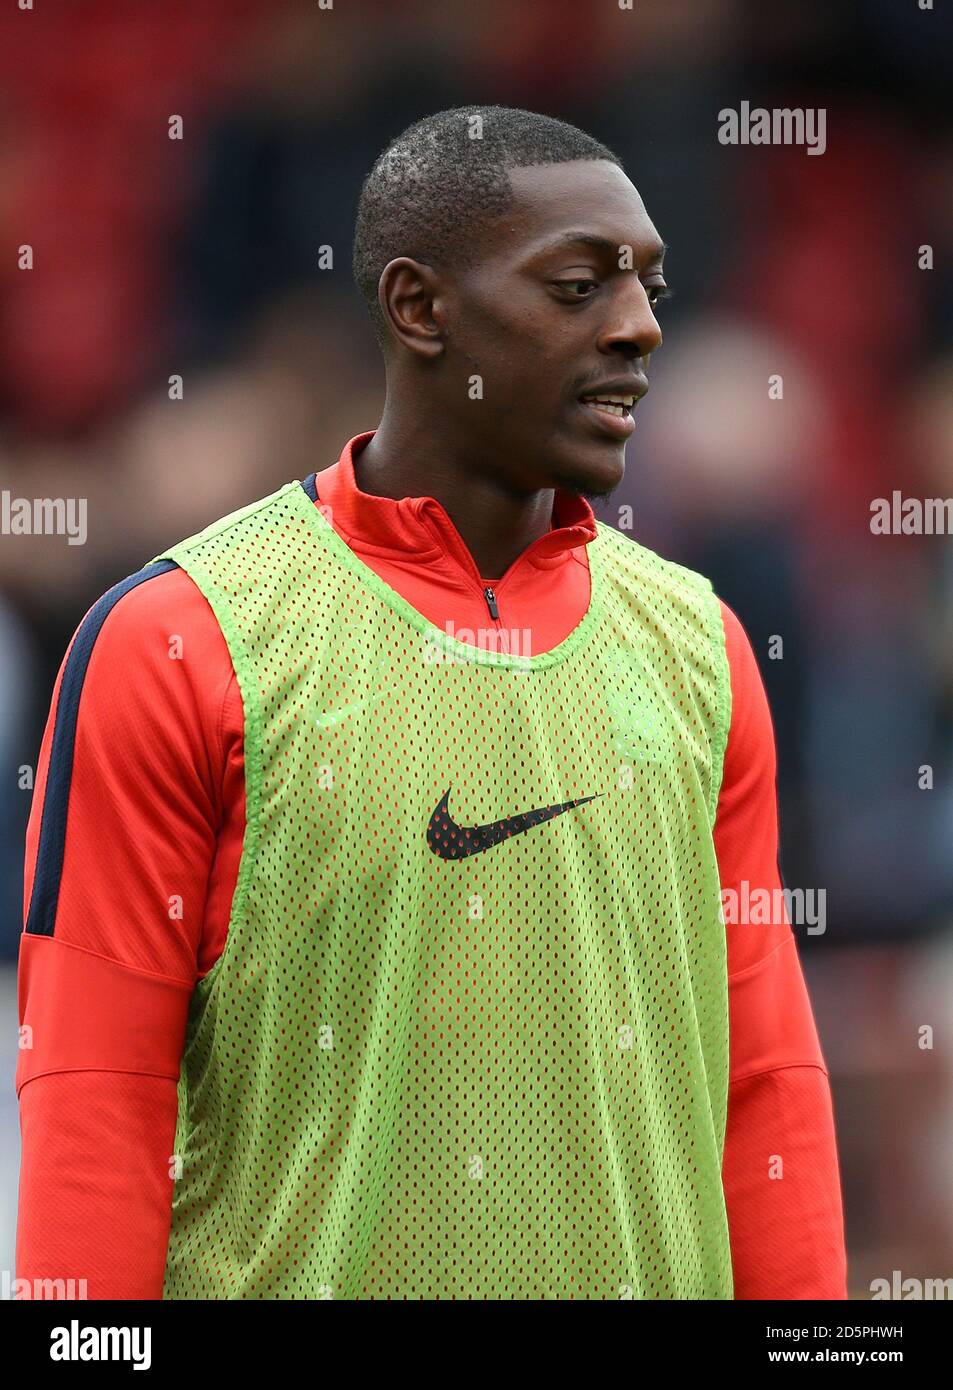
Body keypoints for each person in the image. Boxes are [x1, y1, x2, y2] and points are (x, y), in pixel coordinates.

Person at [16, 105, 847, 1299]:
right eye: (577, 287)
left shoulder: (703, 648)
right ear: (419, 309)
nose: (638, 327)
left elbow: (763, 1079)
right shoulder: (179, 641)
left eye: (649, 287)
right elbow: (97, 1093)